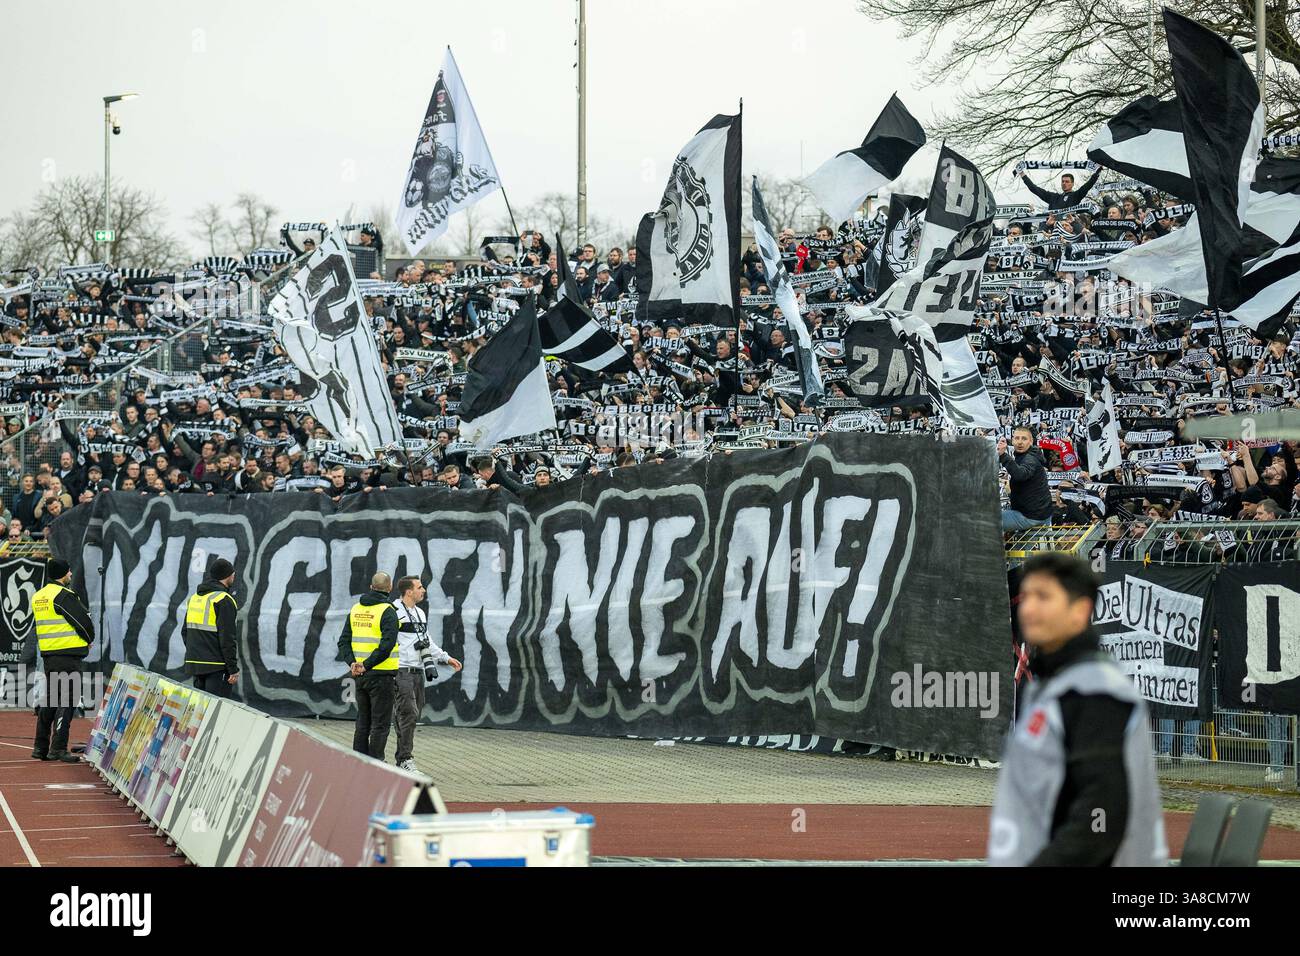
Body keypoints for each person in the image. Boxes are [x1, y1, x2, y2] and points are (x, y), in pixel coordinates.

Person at [988, 552, 1167, 866]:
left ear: (1080, 610)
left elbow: (1099, 821)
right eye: (1026, 597)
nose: (1028, 608)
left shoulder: (1094, 692)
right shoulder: (1054, 683)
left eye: (1044, 597)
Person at [391, 575, 461, 772]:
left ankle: (401, 758)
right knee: (409, 713)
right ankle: (405, 758)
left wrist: (445, 657)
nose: (423, 590)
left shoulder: (420, 613)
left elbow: (426, 640)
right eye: (419, 587)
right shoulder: (393, 611)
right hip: (400, 670)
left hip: (418, 671)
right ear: (408, 591)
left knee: (411, 714)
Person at [31, 558, 95, 762]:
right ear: (62, 573)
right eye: (69, 572)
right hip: (68, 655)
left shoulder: (39, 596)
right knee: (67, 701)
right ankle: (57, 748)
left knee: (49, 700)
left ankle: (40, 747)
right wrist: (89, 639)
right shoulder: (63, 595)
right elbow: (82, 621)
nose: (70, 575)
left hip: (50, 655)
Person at [339, 572, 400, 761]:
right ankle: (376, 764)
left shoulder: (356, 609)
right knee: (380, 724)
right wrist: (366, 665)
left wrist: (353, 663)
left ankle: (358, 761)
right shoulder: (387, 611)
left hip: (360, 675)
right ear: (389, 588)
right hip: (381, 675)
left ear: (371, 587)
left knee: (363, 722)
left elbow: (343, 641)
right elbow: (387, 645)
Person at [182, 558, 240, 696]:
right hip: (217, 667)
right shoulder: (224, 600)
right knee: (218, 712)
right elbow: (227, 638)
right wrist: (232, 669)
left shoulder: (195, 598)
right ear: (227, 576)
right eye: (232, 573)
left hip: (195, 664)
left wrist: (197, 652)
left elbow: (185, 632)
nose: (234, 576)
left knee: (201, 711)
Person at [998, 426, 1053, 532]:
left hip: (1031, 517)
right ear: (1012, 441)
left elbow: (1020, 474)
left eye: (1024, 438)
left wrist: (1003, 456)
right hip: (1039, 514)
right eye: (1017, 438)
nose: (1020, 442)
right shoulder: (1026, 456)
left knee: (985, 520)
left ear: (1031, 441)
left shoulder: (1030, 459)